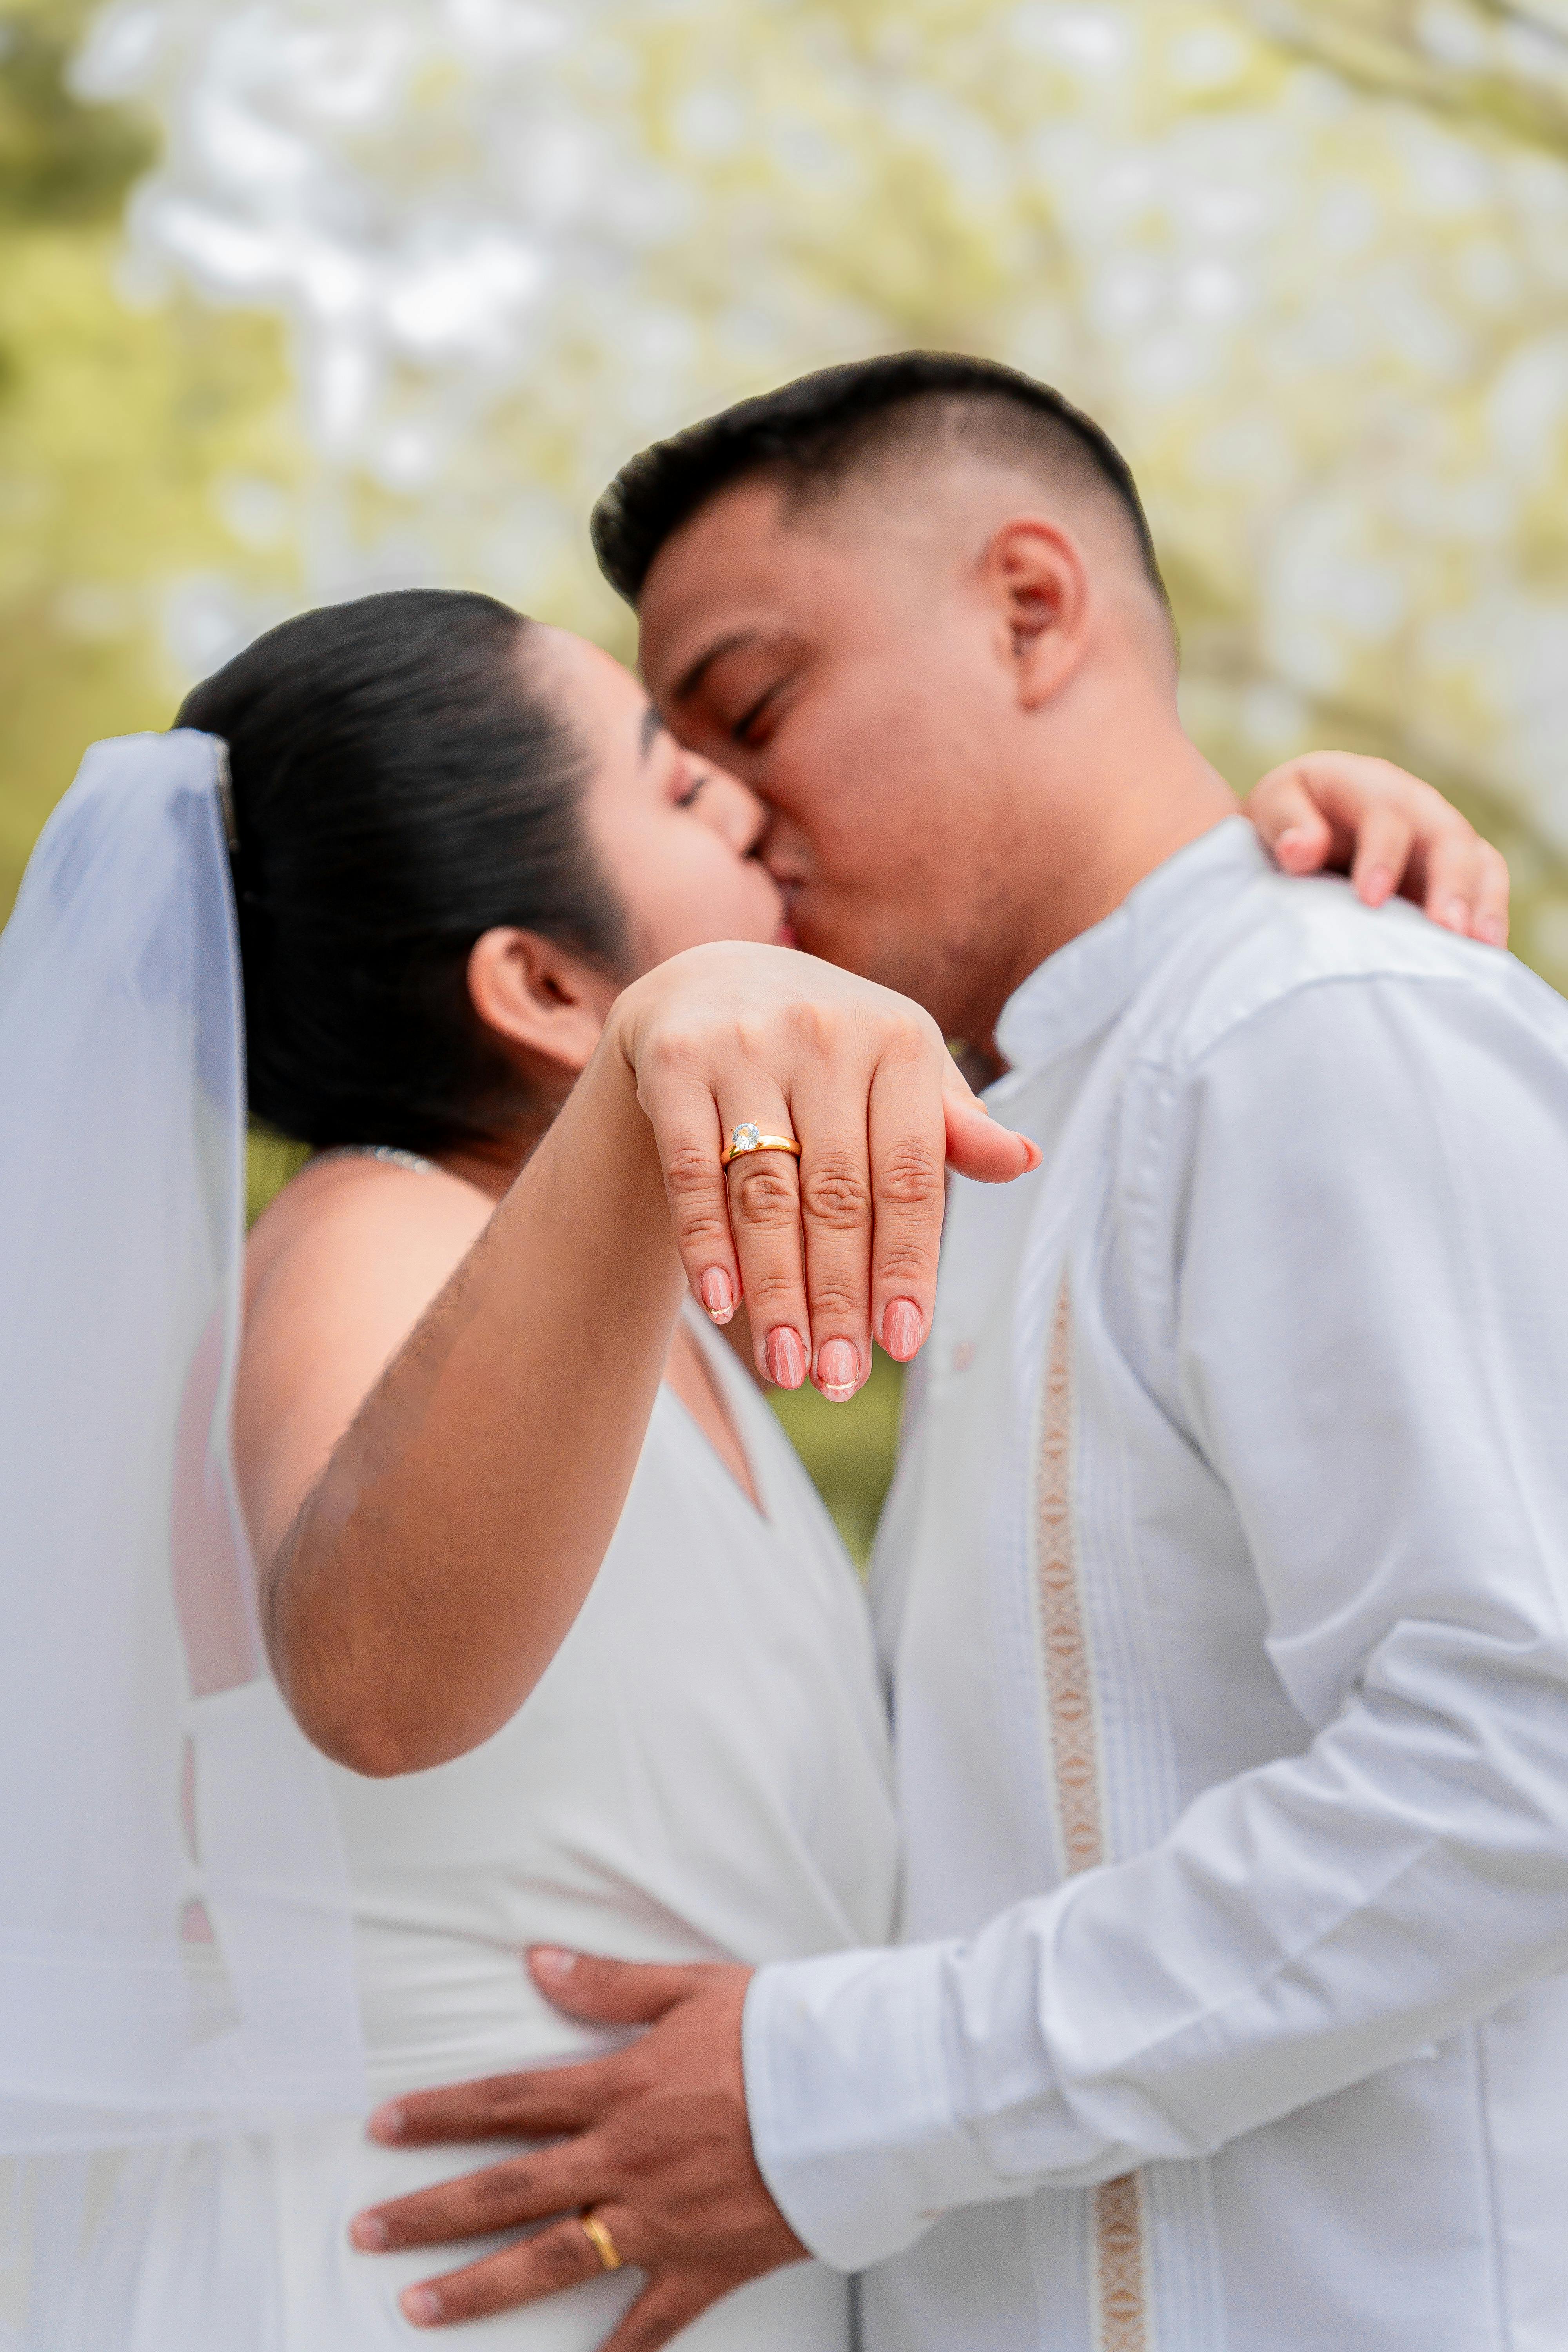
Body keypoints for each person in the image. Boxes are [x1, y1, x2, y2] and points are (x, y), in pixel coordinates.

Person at [0, 579, 1459, 2350]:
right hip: (415, 2278)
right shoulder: (370, 1225)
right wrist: (655, 1061)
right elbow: (377, 1683)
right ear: (543, 988)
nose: (756, 804)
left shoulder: (656, 1321)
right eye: (681, 789)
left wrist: (1268, 857)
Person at [350, 355, 1568, 2352]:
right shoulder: (1001, 1141)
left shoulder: (1312, 1021)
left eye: (753, 710)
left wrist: (830, 2099)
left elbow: (1518, 1753)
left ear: (1028, 604)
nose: (738, 819)